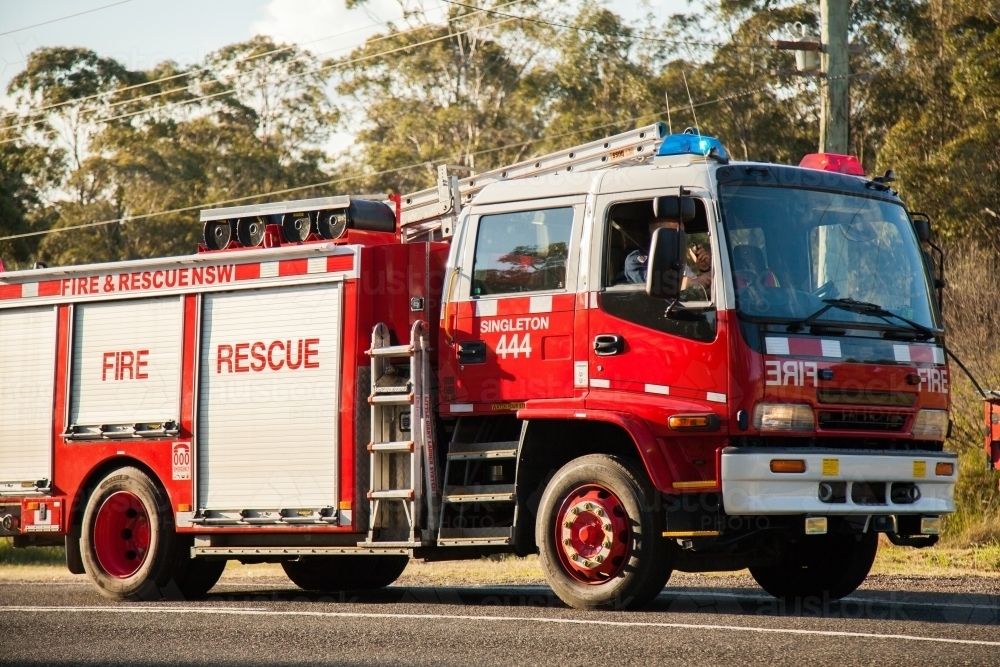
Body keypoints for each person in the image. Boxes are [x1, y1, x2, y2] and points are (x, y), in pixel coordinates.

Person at [624, 219, 712, 292]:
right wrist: (692, 283)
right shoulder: (635, 260)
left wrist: (704, 269)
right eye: (677, 234)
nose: (682, 239)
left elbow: (702, 290)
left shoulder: (676, 260)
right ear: (661, 236)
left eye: (683, 234)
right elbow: (657, 284)